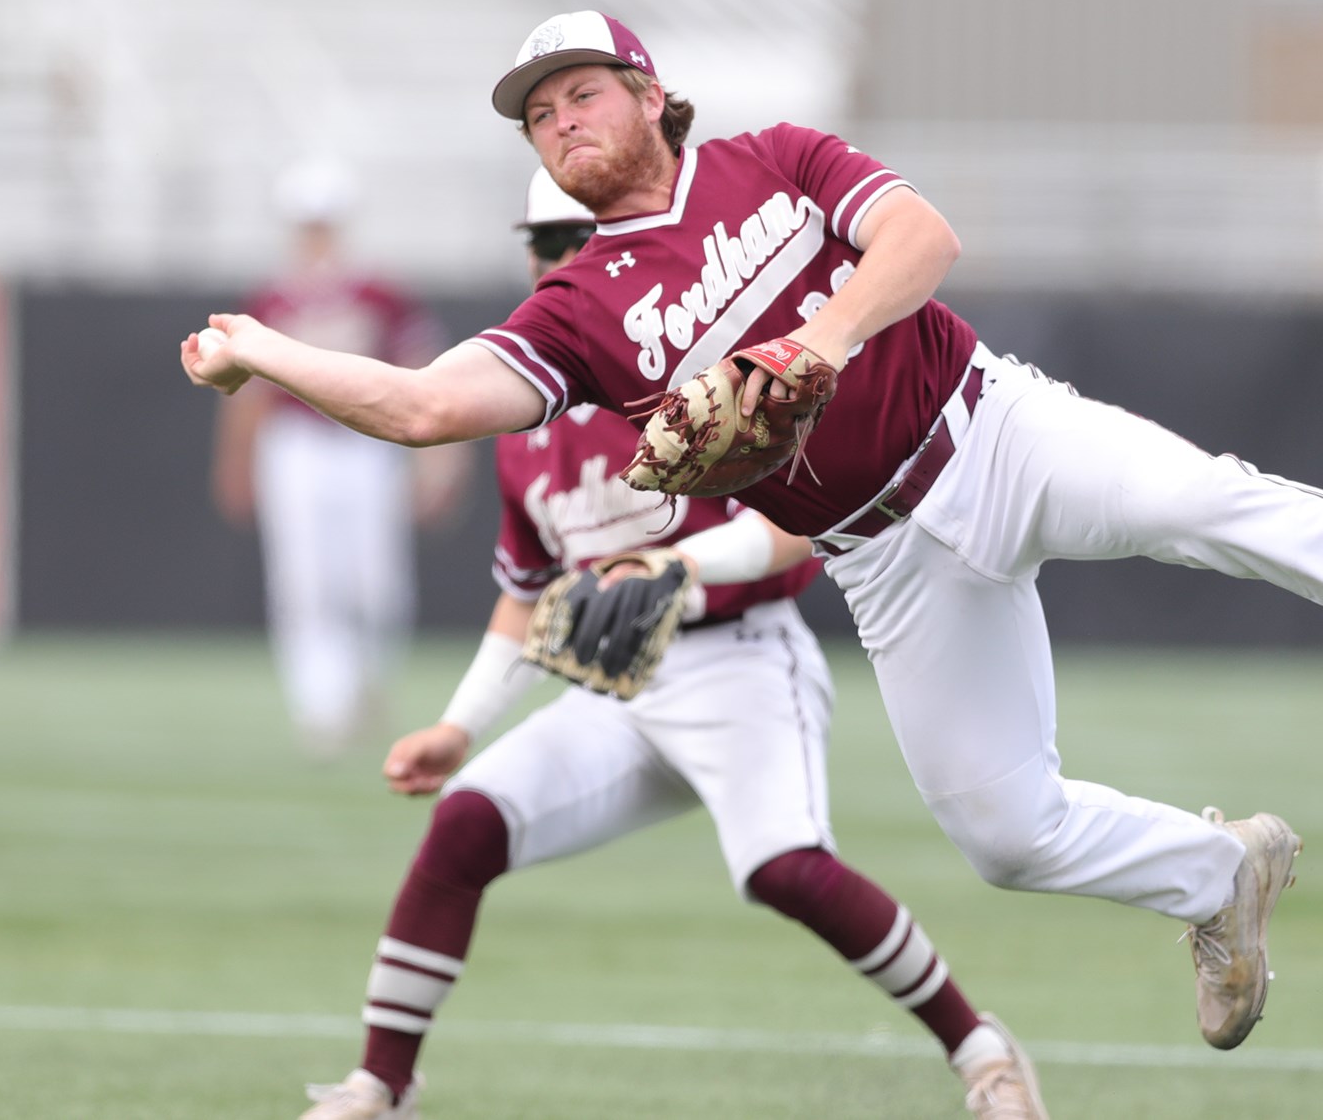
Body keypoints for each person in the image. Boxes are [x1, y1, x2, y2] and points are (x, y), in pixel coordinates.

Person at [182, 10, 1323, 1056]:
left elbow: (924, 240)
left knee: (1216, 501)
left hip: (992, 428)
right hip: (887, 553)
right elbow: (430, 405)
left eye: (577, 93)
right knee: (1003, 828)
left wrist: (812, 344)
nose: (559, 125)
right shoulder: (576, 311)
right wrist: (266, 351)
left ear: (647, 90)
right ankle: (1220, 877)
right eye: (536, 115)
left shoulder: (770, 159)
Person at [296, 168, 1050, 1120]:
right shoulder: (521, 429)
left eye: (582, 240)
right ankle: (381, 1084)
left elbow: (794, 532)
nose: (567, 262)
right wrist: (458, 725)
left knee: (785, 867)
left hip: (741, 660)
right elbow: (527, 595)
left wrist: (680, 566)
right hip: (617, 690)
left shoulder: (689, 372)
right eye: (549, 244)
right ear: (530, 257)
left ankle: (981, 1049)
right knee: (466, 820)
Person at [211, 157, 467, 757]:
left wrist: (436, 463)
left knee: (375, 582)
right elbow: (245, 393)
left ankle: (368, 681)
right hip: (296, 446)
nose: (316, 234)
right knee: (303, 580)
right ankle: (320, 705)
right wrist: (236, 461)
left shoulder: (379, 293)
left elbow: (424, 374)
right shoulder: (270, 297)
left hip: (367, 443)